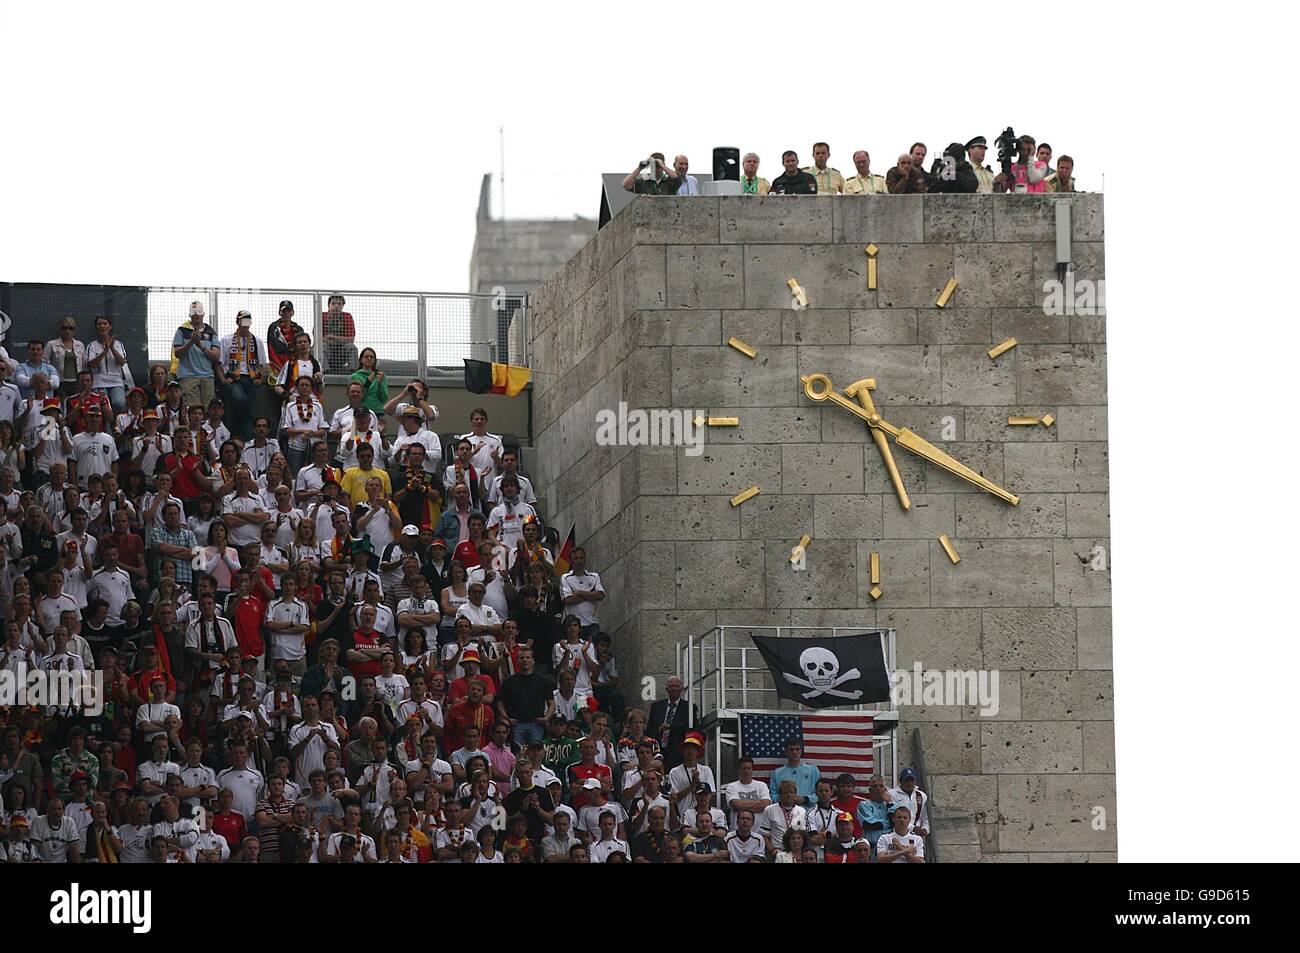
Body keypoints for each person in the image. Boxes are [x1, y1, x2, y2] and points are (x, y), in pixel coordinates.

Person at [218, 310, 266, 441]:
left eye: (247, 323)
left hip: (252, 379)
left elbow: (262, 364)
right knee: (241, 401)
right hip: (234, 379)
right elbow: (219, 363)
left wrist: (260, 379)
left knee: (246, 409)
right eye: (242, 323)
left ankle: (246, 440)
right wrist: (223, 379)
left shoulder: (257, 341)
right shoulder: (226, 339)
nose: (245, 327)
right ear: (237, 322)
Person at [172, 301, 221, 410]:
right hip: (188, 376)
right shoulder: (182, 331)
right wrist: (191, 342)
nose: (196, 315)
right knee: (192, 409)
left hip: (207, 376)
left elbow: (216, 355)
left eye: (199, 313)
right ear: (190, 315)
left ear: (203, 314)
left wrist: (200, 346)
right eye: (194, 313)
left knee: (208, 409)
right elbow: (177, 353)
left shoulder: (211, 332)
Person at [647, 676, 696, 769]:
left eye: (676, 686)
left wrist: (671, 727)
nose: (673, 689)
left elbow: (690, 728)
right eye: (671, 686)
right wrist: (658, 730)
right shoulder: (657, 706)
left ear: (681, 689)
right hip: (658, 749)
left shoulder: (689, 707)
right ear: (666, 689)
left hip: (677, 750)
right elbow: (650, 728)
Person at [86, 315, 131, 414]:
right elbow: (91, 365)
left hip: (116, 381)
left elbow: (122, 362)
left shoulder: (119, 344)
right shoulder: (92, 346)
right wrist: (105, 351)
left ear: (110, 327)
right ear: (96, 327)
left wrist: (112, 348)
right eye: (99, 324)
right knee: (102, 406)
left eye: (105, 323)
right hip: (99, 382)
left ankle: (116, 426)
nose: (102, 326)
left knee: (119, 403)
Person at [722, 755, 772, 829]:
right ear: (738, 770)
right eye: (743, 768)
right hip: (736, 833)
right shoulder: (732, 787)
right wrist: (758, 803)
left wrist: (742, 806)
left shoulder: (761, 785)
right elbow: (736, 804)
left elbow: (765, 804)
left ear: (752, 770)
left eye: (749, 768)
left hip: (758, 833)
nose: (746, 771)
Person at [770, 736, 820, 807]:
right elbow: (773, 795)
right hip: (784, 812)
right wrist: (788, 798)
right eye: (791, 749)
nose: (794, 752)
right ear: (786, 752)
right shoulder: (777, 773)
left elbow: (820, 793)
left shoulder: (813, 770)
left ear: (801, 751)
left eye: (797, 749)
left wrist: (805, 799)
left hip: (808, 813)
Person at [46, 318, 86, 399]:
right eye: (64, 328)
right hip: (60, 382)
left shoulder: (80, 345)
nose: (67, 331)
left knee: (75, 405)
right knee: (62, 406)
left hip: (76, 382)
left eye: (71, 328)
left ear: (74, 331)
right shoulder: (51, 344)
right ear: (60, 329)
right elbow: (45, 362)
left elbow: (84, 364)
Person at [322, 294, 357, 374]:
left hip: (340, 354)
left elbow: (351, 339)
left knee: (351, 347)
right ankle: (326, 372)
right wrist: (341, 339)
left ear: (342, 306)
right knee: (322, 346)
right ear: (328, 305)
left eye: (339, 304)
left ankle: (353, 374)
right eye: (333, 303)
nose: (336, 306)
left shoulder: (347, 316)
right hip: (326, 354)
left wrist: (332, 337)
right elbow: (317, 337)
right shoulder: (322, 316)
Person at [890, 766, 930, 837]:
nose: (910, 783)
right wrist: (913, 828)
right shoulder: (892, 794)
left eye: (912, 780)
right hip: (898, 834)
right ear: (901, 781)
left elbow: (924, 817)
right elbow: (892, 816)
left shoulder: (921, 795)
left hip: (916, 836)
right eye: (907, 780)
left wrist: (925, 829)